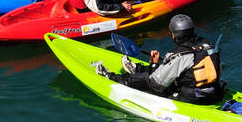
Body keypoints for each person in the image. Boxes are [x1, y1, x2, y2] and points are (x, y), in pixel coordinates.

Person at [97, 14, 226, 105]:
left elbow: (156, 84)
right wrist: (156, 64)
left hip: (192, 98)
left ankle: (111, 77)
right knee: (171, 70)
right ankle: (138, 68)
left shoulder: (179, 55)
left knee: (145, 80)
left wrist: (152, 68)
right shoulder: (207, 45)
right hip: (215, 92)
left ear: (175, 34)